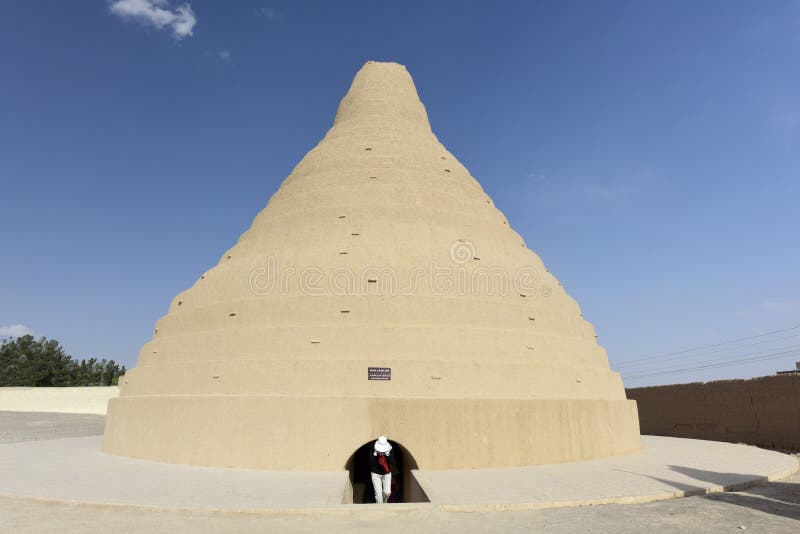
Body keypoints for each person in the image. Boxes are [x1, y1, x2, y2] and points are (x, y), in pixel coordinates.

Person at [369, 435, 394, 503]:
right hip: (375, 473)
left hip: (386, 473)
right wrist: (375, 454)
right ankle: (380, 508)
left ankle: (384, 503)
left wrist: (387, 454)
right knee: (378, 495)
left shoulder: (390, 448)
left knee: (387, 492)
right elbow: (371, 462)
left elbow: (391, 461)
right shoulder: (373, 447)